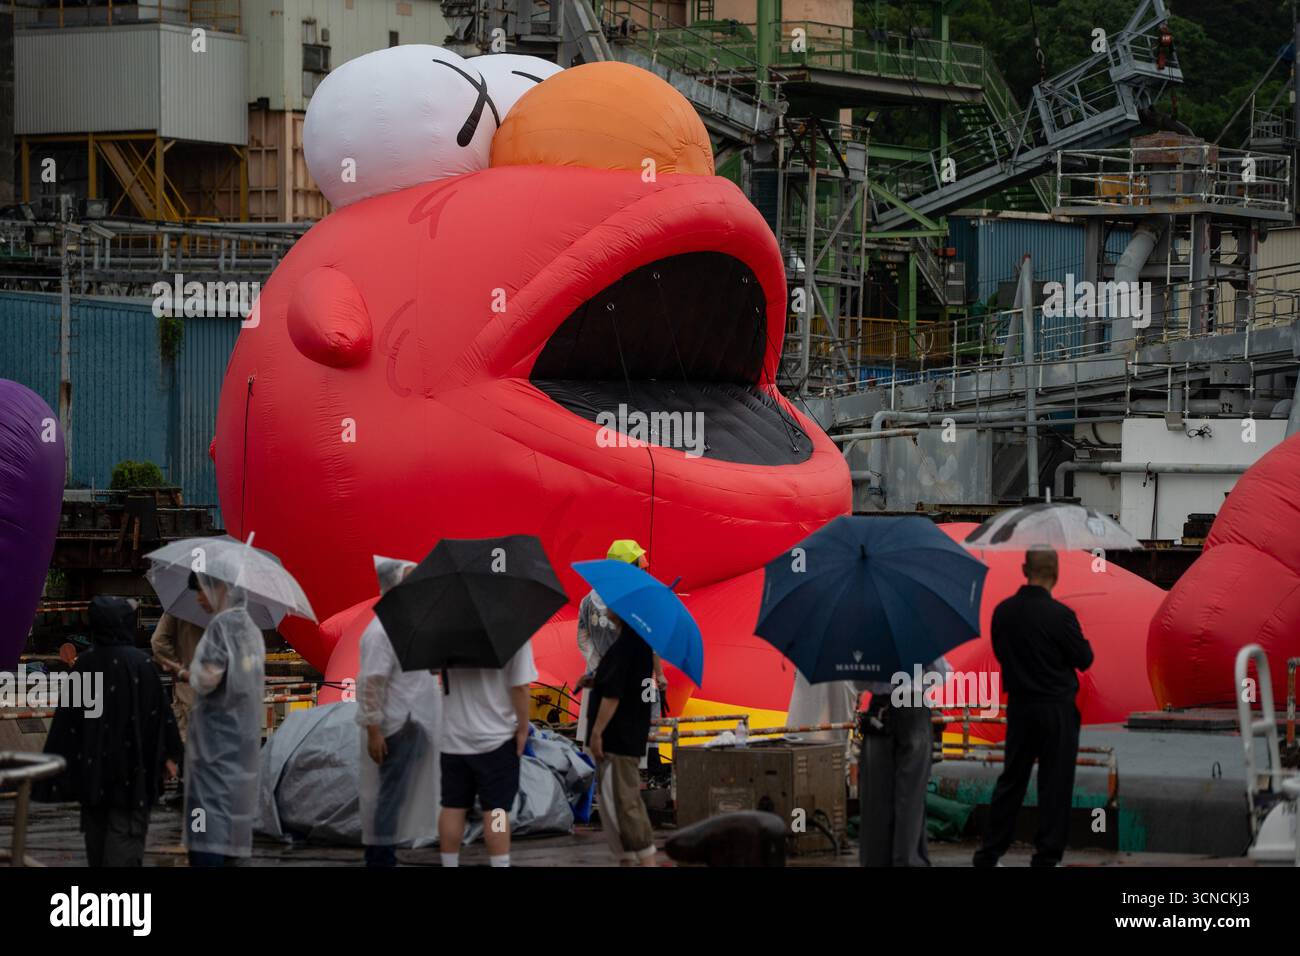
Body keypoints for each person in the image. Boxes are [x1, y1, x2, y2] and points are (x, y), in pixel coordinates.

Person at [35, 597, 183, 866]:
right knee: (124, 850)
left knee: (97, 848)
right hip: (133, 778)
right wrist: (170, 756)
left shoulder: (84, 666)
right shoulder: (140, 665)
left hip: (93, 780)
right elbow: (160, 716)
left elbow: (67, 724)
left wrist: (50, 776)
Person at [973, 547, 1094, 868]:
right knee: (1055, 782)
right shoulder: (1062, 616)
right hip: (1057, 709)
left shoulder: (1003, 612)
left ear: (1025, 570)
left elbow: (1001, 652)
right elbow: (1084, 659)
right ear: (1055, 574)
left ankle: (989, 853)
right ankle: (1047, 856)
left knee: (1012, 780)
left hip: (1020, 707)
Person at [160, 566, 266, 867]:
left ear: (222, 588)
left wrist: (181, 671)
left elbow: (206, 680)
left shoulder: (220, 627)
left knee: (204, 816)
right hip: (241, 739)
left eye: (202, 590)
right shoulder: (250, 629)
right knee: (232, 813)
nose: (199, 598)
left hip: (213, 739)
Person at [355, 556, 441, 866]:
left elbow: (424, 670)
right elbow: (371, 683)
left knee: (399, 795)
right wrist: (373, 730)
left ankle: (384, 853)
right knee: (390, 795)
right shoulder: (381, 631)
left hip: (413, 721)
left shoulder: (407, 625)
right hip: (396, 725)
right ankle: (380, 858)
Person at [437, 641, 537, 868]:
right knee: (498, 811)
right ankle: (500, 863)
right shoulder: (513, 633)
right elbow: (520, 687)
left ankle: (448, 863)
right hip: (497, 739)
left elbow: (435, 672)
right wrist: (523, 728)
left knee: (452, 807)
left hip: (453, 738)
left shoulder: (445, 630)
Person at [576, 538, 666, 755]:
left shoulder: (588, 600)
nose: (644, 569)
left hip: (601, 677)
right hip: (636, 678)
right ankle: (651, 763)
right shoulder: (637, 601)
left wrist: (595, 664)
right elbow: (649, 642)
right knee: (642, 732)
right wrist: (660, 675)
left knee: (597, 739)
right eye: (640, 564)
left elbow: (582, 635)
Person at [854, 658, 946, 867]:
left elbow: (859, 684)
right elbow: (940, 673)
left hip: (880, 711)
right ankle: (907, 859)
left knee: (876, 795)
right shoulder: (922, 629)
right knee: (911, 796)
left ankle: (876, 860)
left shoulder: (867, 633)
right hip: (913, 707)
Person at [587, 625, 658, 866]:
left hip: (618, 740)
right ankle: (628, 859)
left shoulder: (627, 646)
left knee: (624, 806)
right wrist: (595, 681)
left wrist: (597, 733)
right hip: (625, 738)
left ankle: (647, 861)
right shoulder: (636, 644)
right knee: (615, 807)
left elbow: (614, 694)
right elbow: (621, 683)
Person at [150, 575, 206, 743]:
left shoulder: (179, 607)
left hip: (188, 691)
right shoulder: (228, 613)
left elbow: (157, 641)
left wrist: (178, 668)